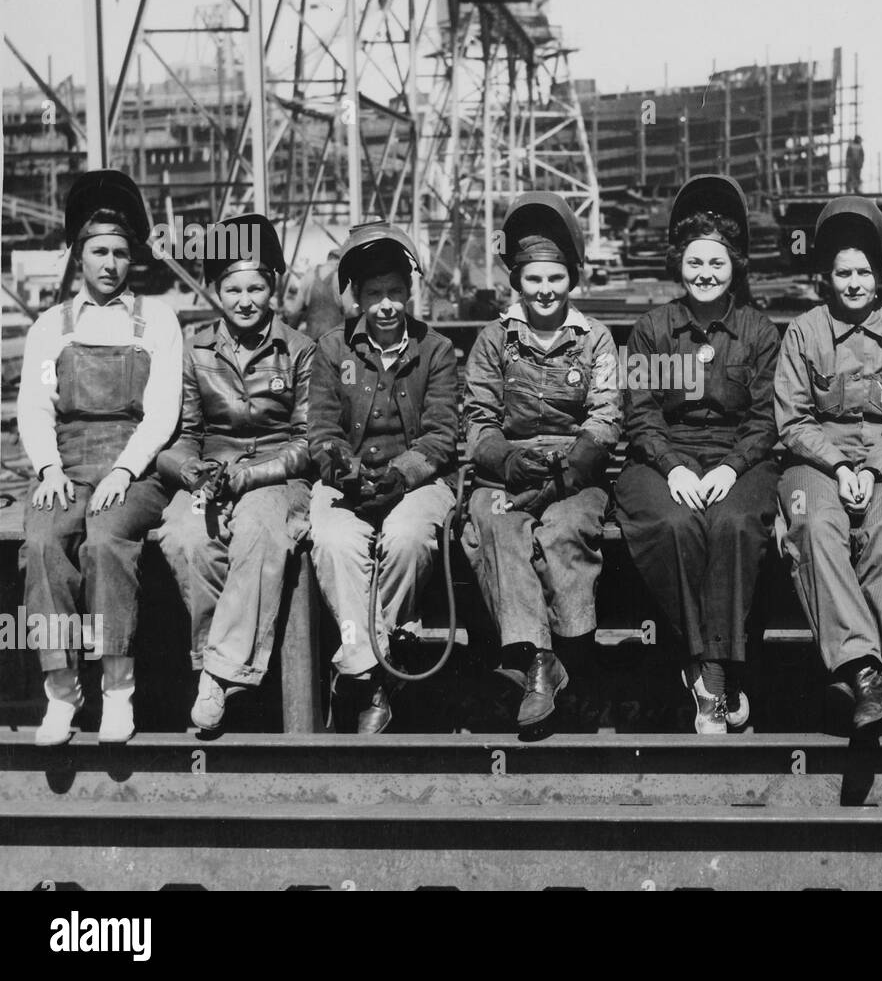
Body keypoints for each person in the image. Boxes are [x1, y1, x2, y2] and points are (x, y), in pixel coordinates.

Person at [17, 169, 182, 745]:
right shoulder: (50, 328)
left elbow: (162, 413)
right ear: (78, 257)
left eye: (118, 251)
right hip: (67, 462)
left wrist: (124, 470)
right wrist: (48, 469)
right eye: (97, 252)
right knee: (40, 542)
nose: (109, 263)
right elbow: (35, 406)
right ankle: (61, 692)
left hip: (134, 463)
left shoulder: (157, 319)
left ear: (130, 257)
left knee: (107, 539)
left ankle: (118, 689)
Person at [614, 174, 780, 733]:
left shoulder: (758, 332)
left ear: (734, 267)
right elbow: (639, 412)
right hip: (664, 458)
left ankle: (709, 671)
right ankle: (711, 675)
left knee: (735, 524)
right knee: (672, 523)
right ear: (677, 265)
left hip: (740, 459)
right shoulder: (651, 329)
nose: (704, 275)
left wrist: (733, 467)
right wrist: (672, 466)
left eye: (716, 264)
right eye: (694, 263)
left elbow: (764, 418)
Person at [461, 192, 621, 729]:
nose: (545, 290)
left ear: (571, 279)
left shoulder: (594, 339)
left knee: (563, 531)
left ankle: (574, 654)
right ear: (518, 283)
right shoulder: (494, 341)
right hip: (510, 471)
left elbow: (605, 416)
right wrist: (507, 464)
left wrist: (569, 472)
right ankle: (537, 661)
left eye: (555, 278)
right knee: (499, 524)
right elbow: (478, 421)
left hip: (576, 474)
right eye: (533, 280)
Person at [774, 197, 882, 731]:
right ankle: (870, 672)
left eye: (864, 272)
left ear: (879, 275)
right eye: (843, 273)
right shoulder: (804, 332)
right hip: (816, 461)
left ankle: (865, 682)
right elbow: (793, 420)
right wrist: (842, 467)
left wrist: (873, 469)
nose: (854, 283)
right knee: (814, 524)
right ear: (827, 277)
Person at [154, 214, 315, 732]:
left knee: (256, 531)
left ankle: (217, 676)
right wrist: (193, 472)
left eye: (256, 287)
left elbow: (307, 441)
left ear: (273, 286)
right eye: (232, 288)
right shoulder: (194, 348)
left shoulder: (300, 349)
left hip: (276, 475)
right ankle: (219, 669)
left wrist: (252, 477)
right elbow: (182, 436)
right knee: (183, 537)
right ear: (217, 291)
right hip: (214, 471)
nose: (245, 300)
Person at [307, 221, 458, 734]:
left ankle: (358, 665)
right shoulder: (331, 351)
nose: (387, 305)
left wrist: (402, 473)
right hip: (348, 484)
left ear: (409, 292)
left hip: (416, 482)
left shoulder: (435, 350)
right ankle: (374, 676)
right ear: (356, 298)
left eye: (396, 292)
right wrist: (340, 467)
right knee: (331, 542)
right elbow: (322, 430)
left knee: (409, 538)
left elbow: (441, 435)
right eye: (374, 294)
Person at [283, 245, 348, 340]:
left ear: (328, 259)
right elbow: (352, 310)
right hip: (336, 342)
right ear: (340, 261)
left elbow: (296, 311)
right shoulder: (340, 278)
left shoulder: (309, 276)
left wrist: (289, 336)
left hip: (312, 339)